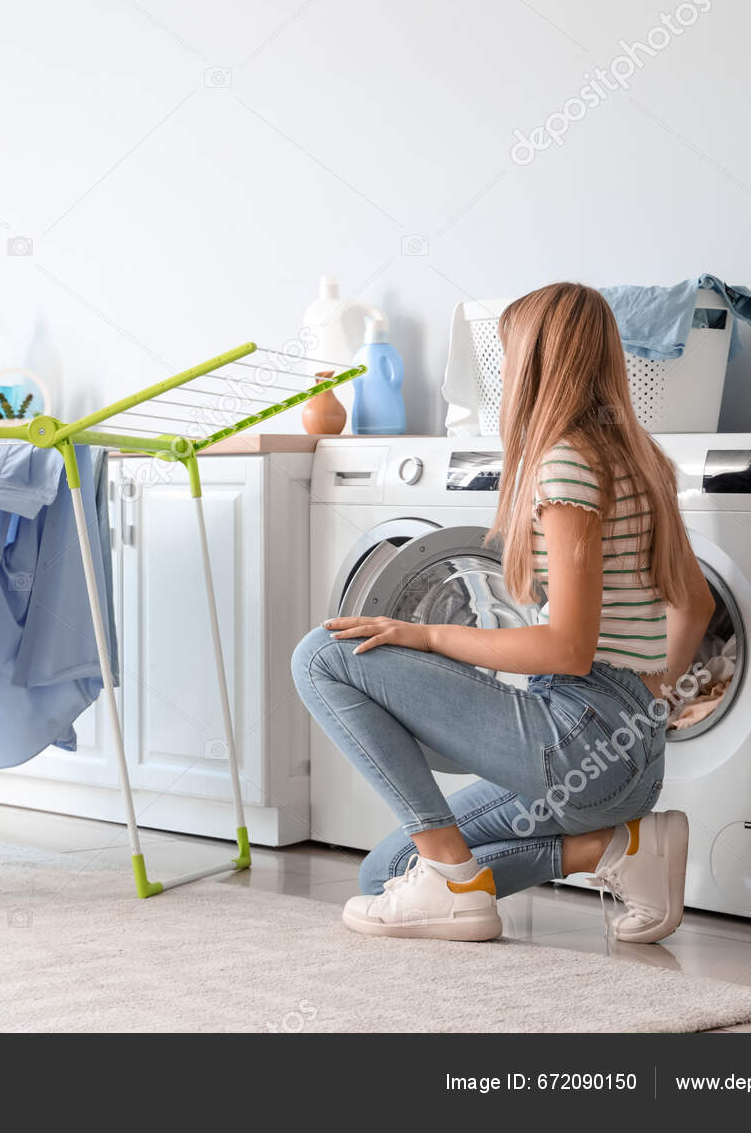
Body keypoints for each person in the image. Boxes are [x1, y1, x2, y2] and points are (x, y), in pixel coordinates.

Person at [292, 282, 713, 941]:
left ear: (536, 361)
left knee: (320, 656)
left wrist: (429, 634)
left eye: (510, 353)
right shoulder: (639, 456)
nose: (505, 369)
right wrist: (651, 702)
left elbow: (568, 648)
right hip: (626, 755)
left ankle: (452, 880)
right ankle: (614, 850)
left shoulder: (566, 464)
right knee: (387, 872)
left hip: (580, 735)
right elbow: (697, 602)